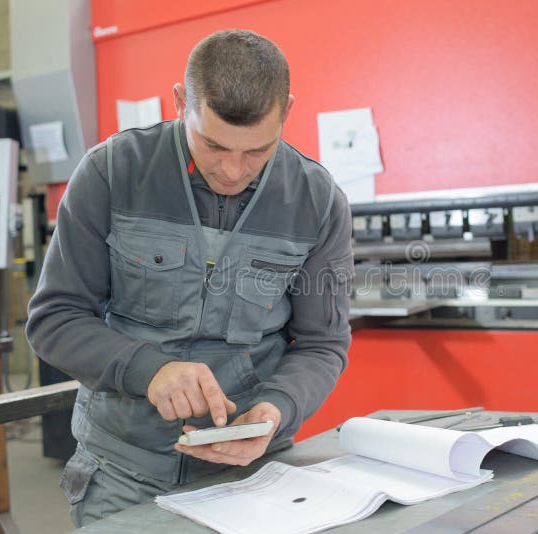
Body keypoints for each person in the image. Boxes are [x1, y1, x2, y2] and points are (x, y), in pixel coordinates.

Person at [26, 29, 353, 527]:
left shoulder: (318, 201)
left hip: (251, 471)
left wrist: (277, 409)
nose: (231, 170)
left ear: (286, 110)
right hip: (122, 469)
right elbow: (55, 319)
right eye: (214, 144)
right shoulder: (112, 172)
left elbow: (322, 344)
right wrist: (147, 369)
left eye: (257, 151)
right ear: (181, 102)